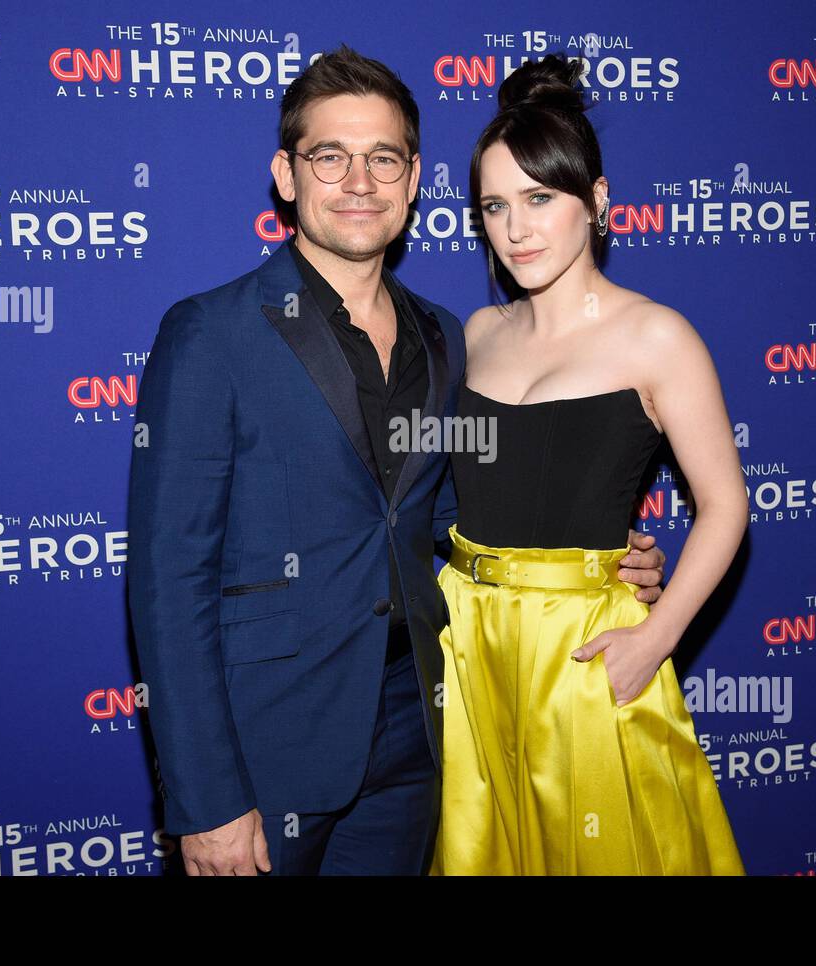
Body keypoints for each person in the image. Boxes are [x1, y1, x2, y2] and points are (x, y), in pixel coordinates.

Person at [125, 44, 666, 876]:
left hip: (422, 731)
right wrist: (205, 798)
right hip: (265, 749)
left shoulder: (443, 336)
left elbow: (451, 510)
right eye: (329, 157)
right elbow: (169, 581)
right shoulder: (210, 334)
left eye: (383, 158)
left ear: (413, 181)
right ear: (286, 175)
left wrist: (589, 553)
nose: (359, 181)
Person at [428, 53, 748, 875]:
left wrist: (657, 637)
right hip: (470, 645)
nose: (516, 228)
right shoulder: (478, 334)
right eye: (495, 205)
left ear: (597, 200)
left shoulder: (657, 337)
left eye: (541, 198)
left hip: (583, 650)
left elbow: (725, 506)